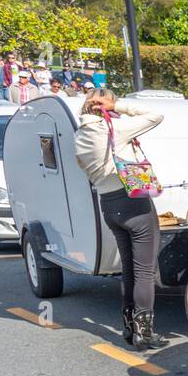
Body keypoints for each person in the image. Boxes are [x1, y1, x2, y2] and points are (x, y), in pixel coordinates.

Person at [74, 89, 167, 350]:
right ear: (105, 104)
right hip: (132, 201)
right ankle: (145, 334)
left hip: (108, 204)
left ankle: (129, 328)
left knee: (128, 269)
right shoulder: (112, 127)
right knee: (145, 271)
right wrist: (120, 105)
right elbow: (156, 115)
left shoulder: (79, 134)